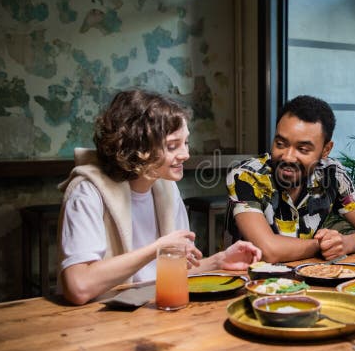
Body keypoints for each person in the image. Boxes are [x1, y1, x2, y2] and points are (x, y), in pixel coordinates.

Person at [58, 90, 261, 305]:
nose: (185, 154)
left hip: (152, 310)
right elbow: (78, 287)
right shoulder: (87, 192)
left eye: (186, 143)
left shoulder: (166, 188)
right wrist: (158, 248)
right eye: (172, 146)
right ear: (138, 147)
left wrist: (220, 260)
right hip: (99, 321)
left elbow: (173, 272)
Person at [225, 95, 355, 262]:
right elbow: (268, 250)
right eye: (280, 144)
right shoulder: (246, 176)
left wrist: (345, 243)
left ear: (326, 150)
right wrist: (322, 245)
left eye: (302, 149)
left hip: (309, 281)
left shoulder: (332, 174)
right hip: (251, 281)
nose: (287, 157)